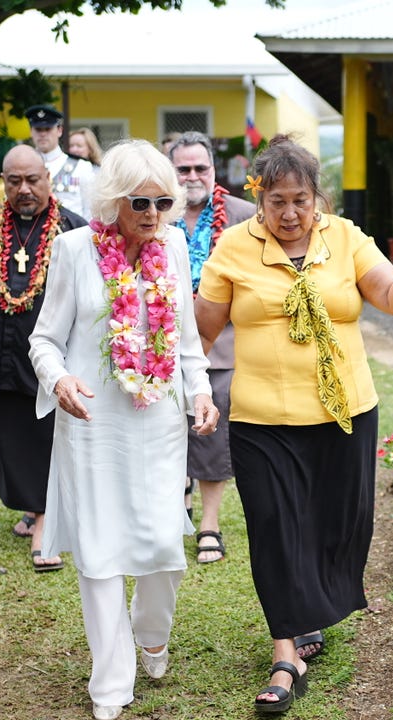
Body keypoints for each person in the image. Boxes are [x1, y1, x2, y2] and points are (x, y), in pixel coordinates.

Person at [195, 134, 393, 714]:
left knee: (336, 523)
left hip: (343, 413)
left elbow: (388, 296)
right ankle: (286, 654)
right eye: (276, 201)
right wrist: (190, 383)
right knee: (273, 527)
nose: (289, 214)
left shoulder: (346, 236)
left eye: (300, 200)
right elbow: (201, 330)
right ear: (259, 198)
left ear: (316, 197)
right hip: (261, 418)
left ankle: (309, 610)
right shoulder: (234, 246)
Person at [29, 139, 220, 720]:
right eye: (141, 202)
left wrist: (201, 392)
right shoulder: (73, 250)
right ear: (113, 200)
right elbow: (44, 340)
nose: (154, 214)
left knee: (164, 545)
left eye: (164, 201)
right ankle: (111, 678)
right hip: (93, 422)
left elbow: (188, 342)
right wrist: (59, 379)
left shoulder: (175, 248)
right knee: (100, 548)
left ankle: (151, 632)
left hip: (159, 420)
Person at [0, 145, 88, 570]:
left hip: (52, 363)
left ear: (48, 178)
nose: (24, 189)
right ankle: (34, 508)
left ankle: (46, 522)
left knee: (48, 438)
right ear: (4, 182)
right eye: (15, 181)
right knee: (8, 436)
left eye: (32, 180)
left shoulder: (73, 229)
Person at [167, 131, 255, 566]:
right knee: (168, 428)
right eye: (182, 169)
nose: (192, 176)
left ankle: (210, 523)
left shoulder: (244, 216)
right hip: (161, 344)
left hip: (221, 344)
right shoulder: (154, 211)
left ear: (214, 170)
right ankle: (174, 503)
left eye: (200, 168)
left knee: (212, 433)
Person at [25, 104, 94, 220]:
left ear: (59, 130)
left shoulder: (81, 167)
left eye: (48, 129)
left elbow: (90, 210)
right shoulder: (24, 166)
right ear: (31, 131)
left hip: (72, 229)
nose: (43, 134)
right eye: (38, 129)